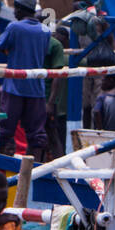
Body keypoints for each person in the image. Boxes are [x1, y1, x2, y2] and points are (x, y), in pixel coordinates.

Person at [0, 0, 50, 159]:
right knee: (36, 133)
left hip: (15, 86)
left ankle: (1, 164)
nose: (14, 13)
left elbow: (0, 45)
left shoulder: (14, 27)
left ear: (20, 10)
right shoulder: (45, 30)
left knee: (5, 130)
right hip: (36, 88)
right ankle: (33, 168)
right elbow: (44, 52)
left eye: (16, 9)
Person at [44, 25, 68, 159]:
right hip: (37, 97)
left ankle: (60, 165)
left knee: (52, 134)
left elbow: (56, 76)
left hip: (50, 101)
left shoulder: (55, 46)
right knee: (39, 136)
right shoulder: (36, 42)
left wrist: (50, 102)